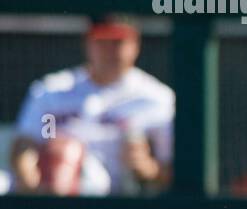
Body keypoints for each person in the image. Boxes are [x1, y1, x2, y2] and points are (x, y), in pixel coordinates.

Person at [10, 17, 174, 196]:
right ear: (88, 43)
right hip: (55, 194)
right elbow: (26, 144)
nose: (110, 51)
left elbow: (175, 172)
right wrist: (30, 181)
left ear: (136, 44)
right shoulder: (52, 90)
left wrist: (147, 168)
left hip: (120, 202)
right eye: (102, 42)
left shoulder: (156, 98)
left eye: (118, 42)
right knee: (64, 151)